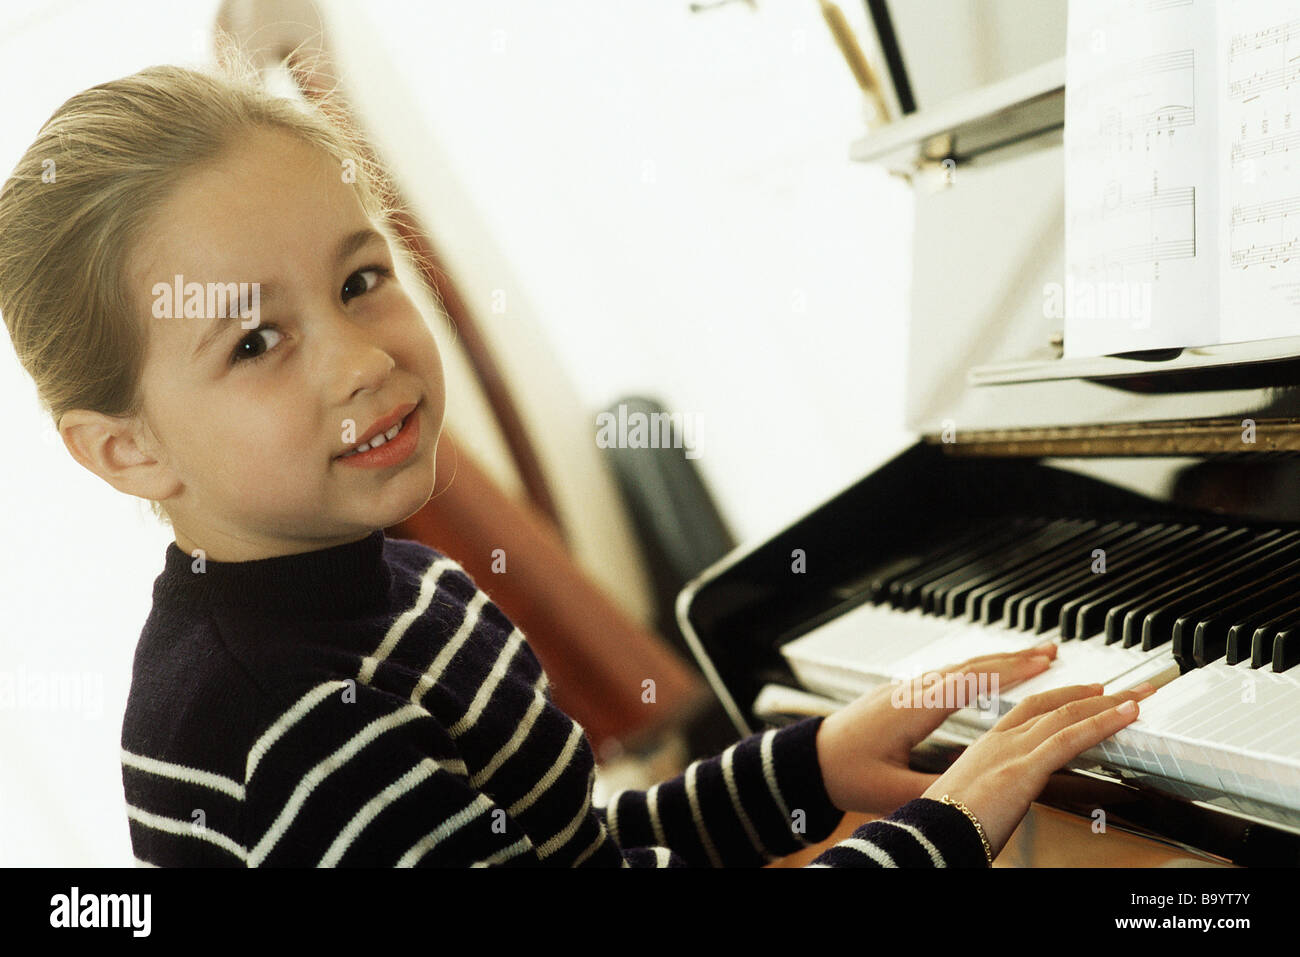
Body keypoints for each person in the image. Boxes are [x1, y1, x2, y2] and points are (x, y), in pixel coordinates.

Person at [0, 57, 1154, 867]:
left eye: (359, 281)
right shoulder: (279, 722)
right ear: (125, 450)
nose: (359, 360)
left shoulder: (403, 588)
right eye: (254, 341)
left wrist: (805, 769)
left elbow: (578, 852)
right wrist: (948, 830)